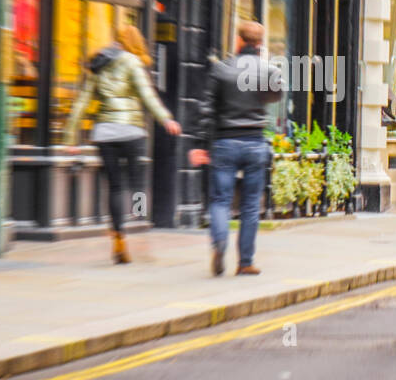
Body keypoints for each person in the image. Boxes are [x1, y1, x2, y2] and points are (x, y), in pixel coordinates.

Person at [68, 25, 182, 264]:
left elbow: (82, 101)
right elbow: (146, 95)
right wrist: (166, 119)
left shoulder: (98, 63)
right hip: (131, 130)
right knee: (137, 181)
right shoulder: (133, 62)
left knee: (115, 186)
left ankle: (118, 234)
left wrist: (70, 137)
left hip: (104, 132)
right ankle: (138, 215)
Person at [189, 21, 283, 277]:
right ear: (260, 44)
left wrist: (199, 145)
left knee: (220, 200)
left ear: (239, 41)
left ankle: (220, 244)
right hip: (254, 142)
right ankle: (245, 262)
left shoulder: (220, 69)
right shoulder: (269, 71)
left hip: (224, 143)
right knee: (251, 205)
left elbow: (206, 109)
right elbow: (276, 96)